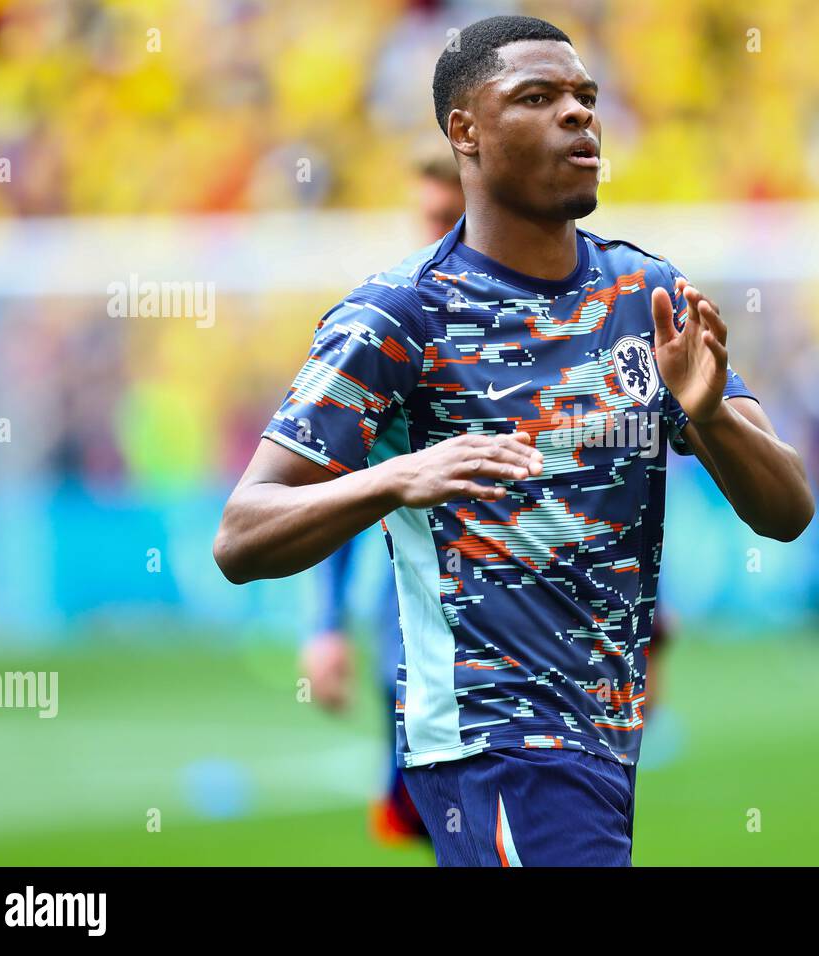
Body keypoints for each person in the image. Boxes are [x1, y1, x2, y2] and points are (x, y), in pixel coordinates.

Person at [213, 14, 813, 867]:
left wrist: (711, 416)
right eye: (537, 97)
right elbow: (242, 533)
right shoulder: (398, 318)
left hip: (607, 733)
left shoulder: (649, 295)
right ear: (464, 131)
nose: (578, 115)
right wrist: (397, 478)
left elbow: (788, 511)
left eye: (585, 97)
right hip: (490, 738)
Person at [300, 157, 464, 843]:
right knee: (441, 831)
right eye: (426, 218)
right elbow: (331, 487)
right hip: (413, 643)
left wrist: (651, 635)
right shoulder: (391, 334)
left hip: (533, 652)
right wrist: (325, 623)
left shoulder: (541, 331)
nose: (437, 236)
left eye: (448, 218)